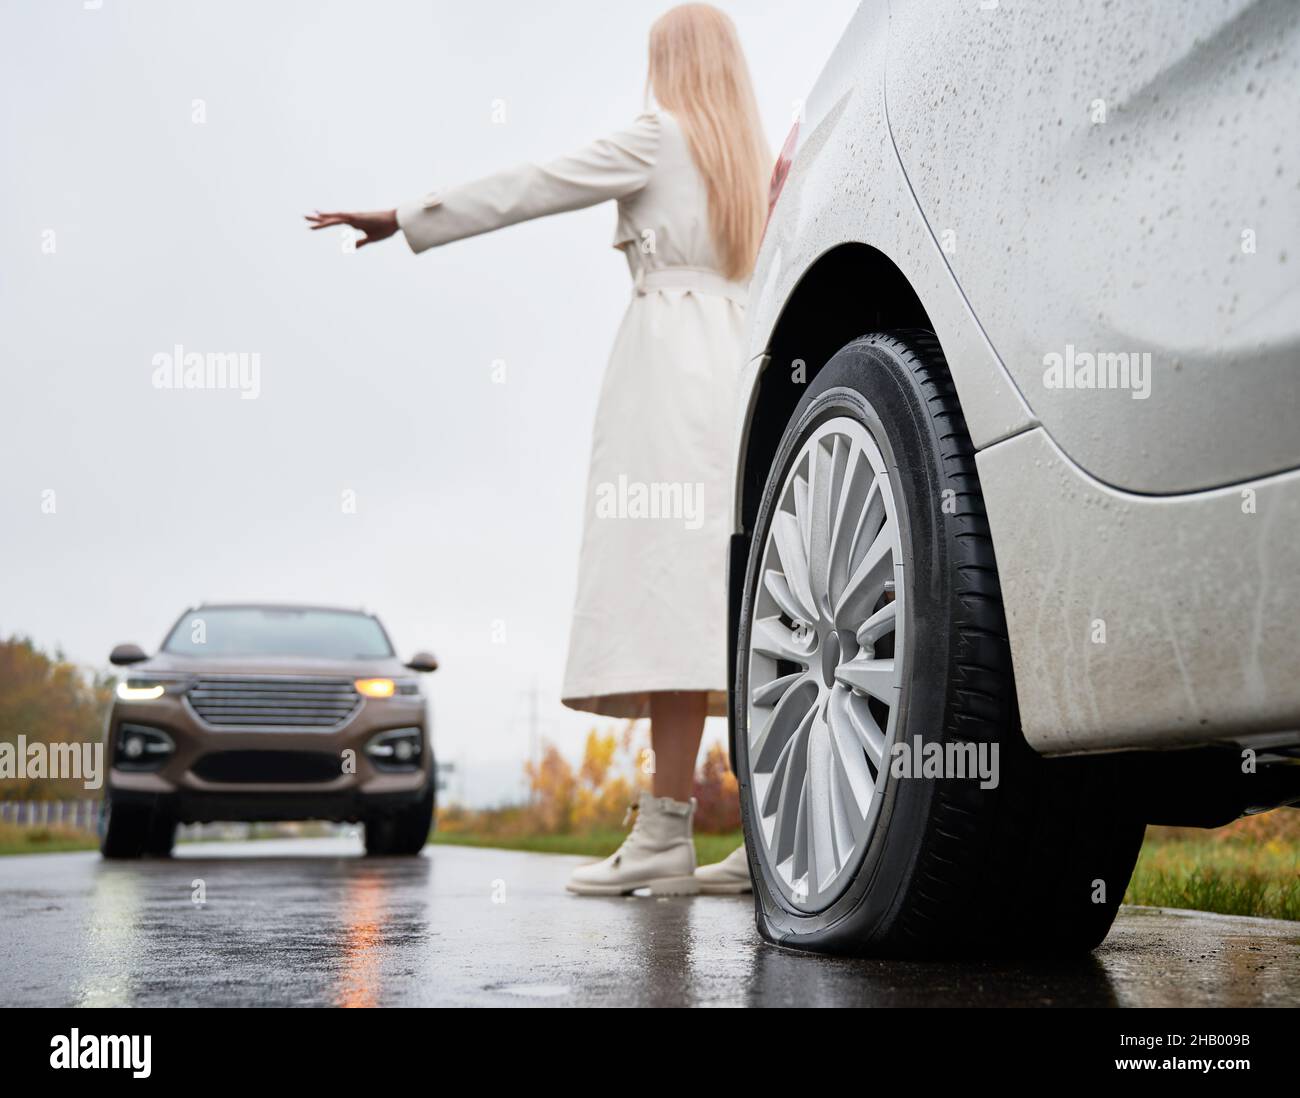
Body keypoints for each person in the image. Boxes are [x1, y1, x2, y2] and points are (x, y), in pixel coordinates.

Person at [307, 3, 768, 896]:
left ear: (670, 63)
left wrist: (406, 216)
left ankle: (665, 833)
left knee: (667, 596)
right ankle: (757, 836)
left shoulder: (659, 136)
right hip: (743, 363)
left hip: (668, 370)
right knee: (732, 601)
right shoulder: (749, 165)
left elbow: (535, 181)